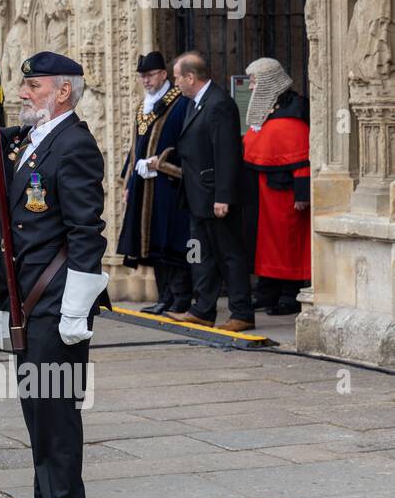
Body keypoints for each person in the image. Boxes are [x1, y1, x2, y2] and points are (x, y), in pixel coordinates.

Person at [0, 52, 109, 498]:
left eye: (33, 86)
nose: (22, 93)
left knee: (57, 413)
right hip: (28, 303)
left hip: (56, 304)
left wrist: (77, 307)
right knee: (37, 410)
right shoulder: (34, 141)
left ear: (62, 91)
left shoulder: (74, 145)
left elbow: (86, 231)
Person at [153, 50, 255, 331]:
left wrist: (224, 196)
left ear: (190, 77)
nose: (175, 84)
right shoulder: (194, 103)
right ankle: (202, 309)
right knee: (202, 254)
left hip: (216, 196)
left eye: (177, 78)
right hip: (197, 193)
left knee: (230, 254)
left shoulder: (219, 103)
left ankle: (242, 312)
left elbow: (227, 153)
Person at [117, 52, 192, 315]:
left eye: (150, 75)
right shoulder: (144, 105)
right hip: (144, 184)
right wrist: (128, 180)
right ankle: (165, 296)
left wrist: (163, 163)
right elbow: (136, 146)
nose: (146, 81)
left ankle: (181, 296)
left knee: (173, 240)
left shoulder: (180, 102)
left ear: (163, 74)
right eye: (142, 77)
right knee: (154, 245)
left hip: (169, 185)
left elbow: (187, 143)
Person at [241, 57, 310, 316]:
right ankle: (267, 291)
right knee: (265, 245)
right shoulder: (268, 111)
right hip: (263, 193)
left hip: (286, 194)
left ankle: (289, 295)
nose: (250, 87)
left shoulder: (294, 111)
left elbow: (302, 156)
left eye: (254, 81)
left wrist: (302, 194)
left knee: (287, 246)